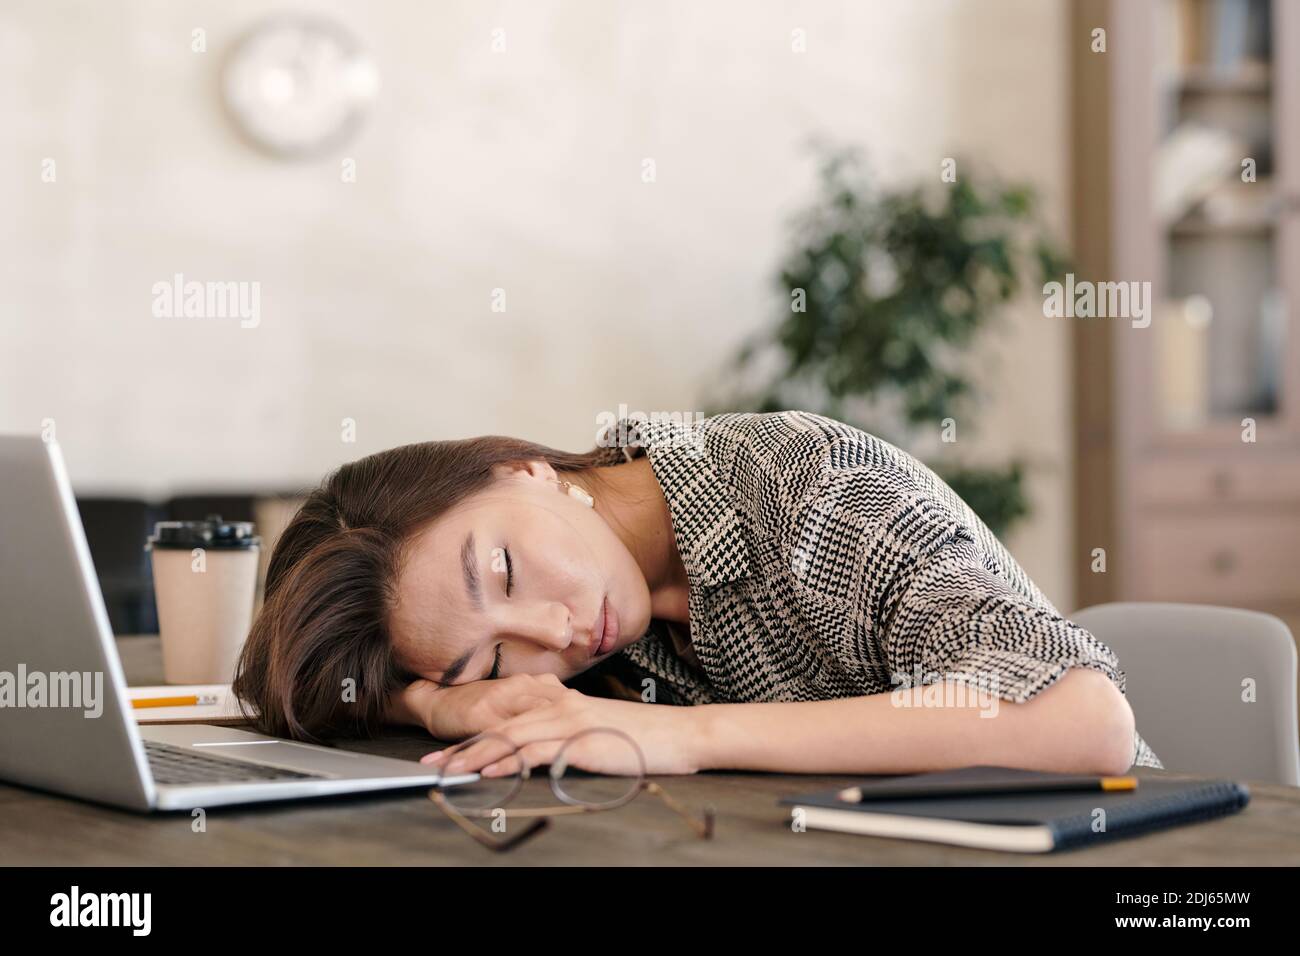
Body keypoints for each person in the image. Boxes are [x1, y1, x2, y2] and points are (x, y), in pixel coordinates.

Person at [232, 410, 1162, 778]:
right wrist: (434, 702)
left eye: (505, 571)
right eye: (500, 657)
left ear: (523, 471)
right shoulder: (611, 585)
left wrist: (679, 736)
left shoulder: (804, 487)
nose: (558, 632)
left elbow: (1084, 722)